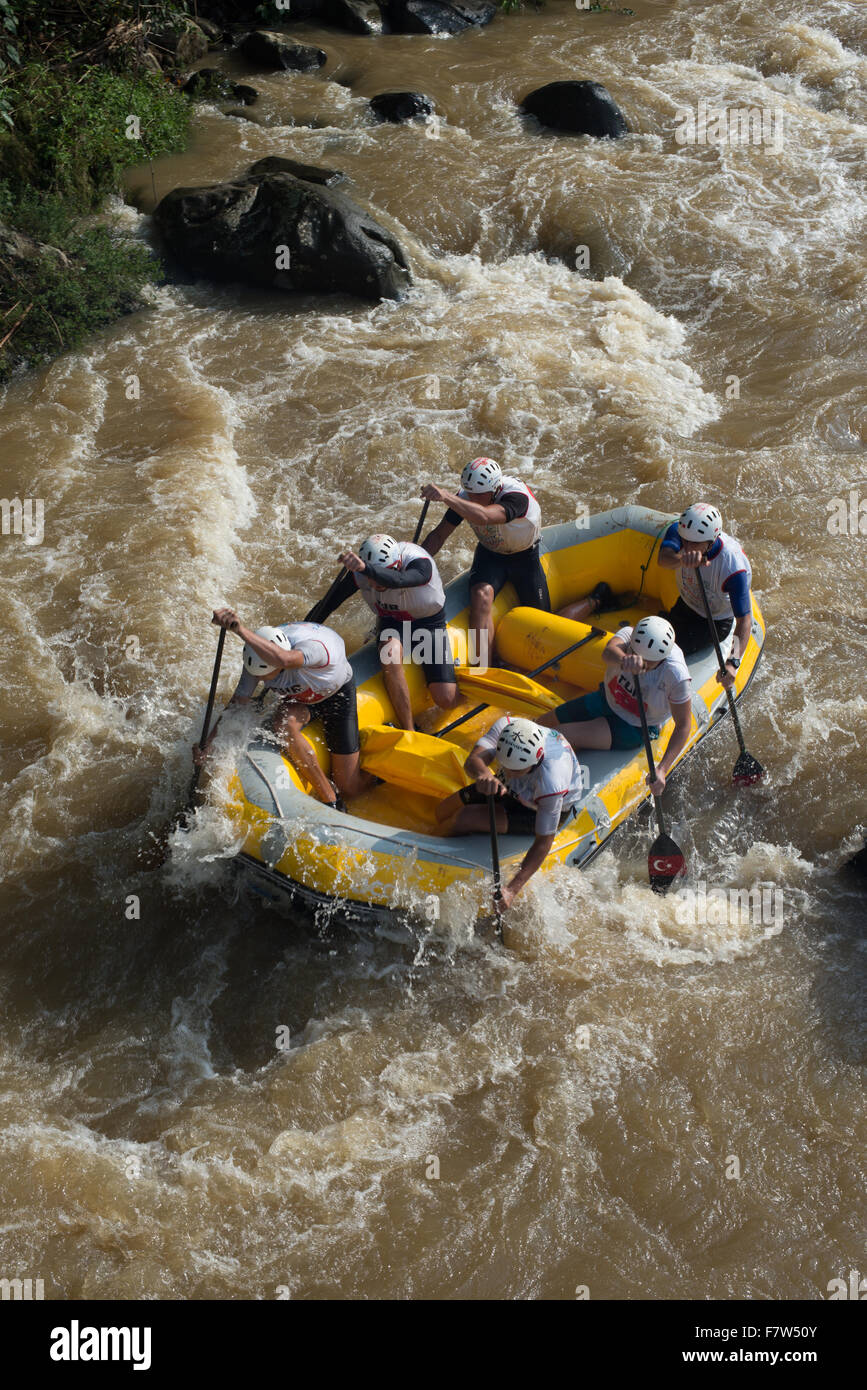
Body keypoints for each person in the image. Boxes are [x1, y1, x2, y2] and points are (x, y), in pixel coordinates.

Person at [195, 609, 374, 809]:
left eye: (267, 675)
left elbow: (286, 660)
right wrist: (209, 744)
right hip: (302, 702)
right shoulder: (255, 661)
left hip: (337, 695)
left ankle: (376, 771)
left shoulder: (314, 649)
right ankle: (331, 799)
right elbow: (237, 704)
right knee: (282, 722)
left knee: (351, 788)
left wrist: (238, 629)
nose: (260, 680)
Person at [436, 715, 586, 909]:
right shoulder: (506, 727)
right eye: (503, 765)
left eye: (514, 770)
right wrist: (484, 775)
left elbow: (544, 842)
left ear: (534, 761)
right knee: (442, 811)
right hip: (507, 787)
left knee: (463, 818)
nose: (506, 772)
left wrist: (511, 890)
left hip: (535, 808)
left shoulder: (552, 781)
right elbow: (472, 761)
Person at [540, 616, 692, 796]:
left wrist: (662, 769)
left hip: (634, 726)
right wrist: (625, 659)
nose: (642, 661)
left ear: (661, 659)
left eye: (648, 661)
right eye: (636, 652)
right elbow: (608, 651)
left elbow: (683, 725)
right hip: (606, 699)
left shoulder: (676, 675)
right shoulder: (630, 635)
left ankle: (542, 783)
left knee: (561, 735)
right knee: (542, 723)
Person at [420, 457, 549, 663]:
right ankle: (484, 665)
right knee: (480, 595)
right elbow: (438, 536)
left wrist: (444, 496)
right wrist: (414, 563)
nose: (471, 498)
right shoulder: (466, 497)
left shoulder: (516, 497)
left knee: (542, 623)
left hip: (525, 558)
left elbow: (484, 517)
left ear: (495, 489)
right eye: (469, 492)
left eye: (478, 495)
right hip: (491, 556)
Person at [338, 534, 461, 732]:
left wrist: (368, 570)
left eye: (379, 575)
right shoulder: (361, 572)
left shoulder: (419, 564)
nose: (374, 582)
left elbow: (400, 580)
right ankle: (409, 728)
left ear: (397, 564)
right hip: (392, 621)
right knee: (390, 653)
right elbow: (329, 603)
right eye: (370, 577)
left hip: (428, 623)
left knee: (445, 698)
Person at [658, 503, 753, 689]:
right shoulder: (680, 531)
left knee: (667, 652)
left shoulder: (732, 568)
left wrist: (732, 662)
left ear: (711, 541)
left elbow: (744, 621)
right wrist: (681, 560)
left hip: (714, 622)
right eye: (684, 540)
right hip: (686, 604)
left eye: (694, 543)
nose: (686, 545)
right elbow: (663, 560)